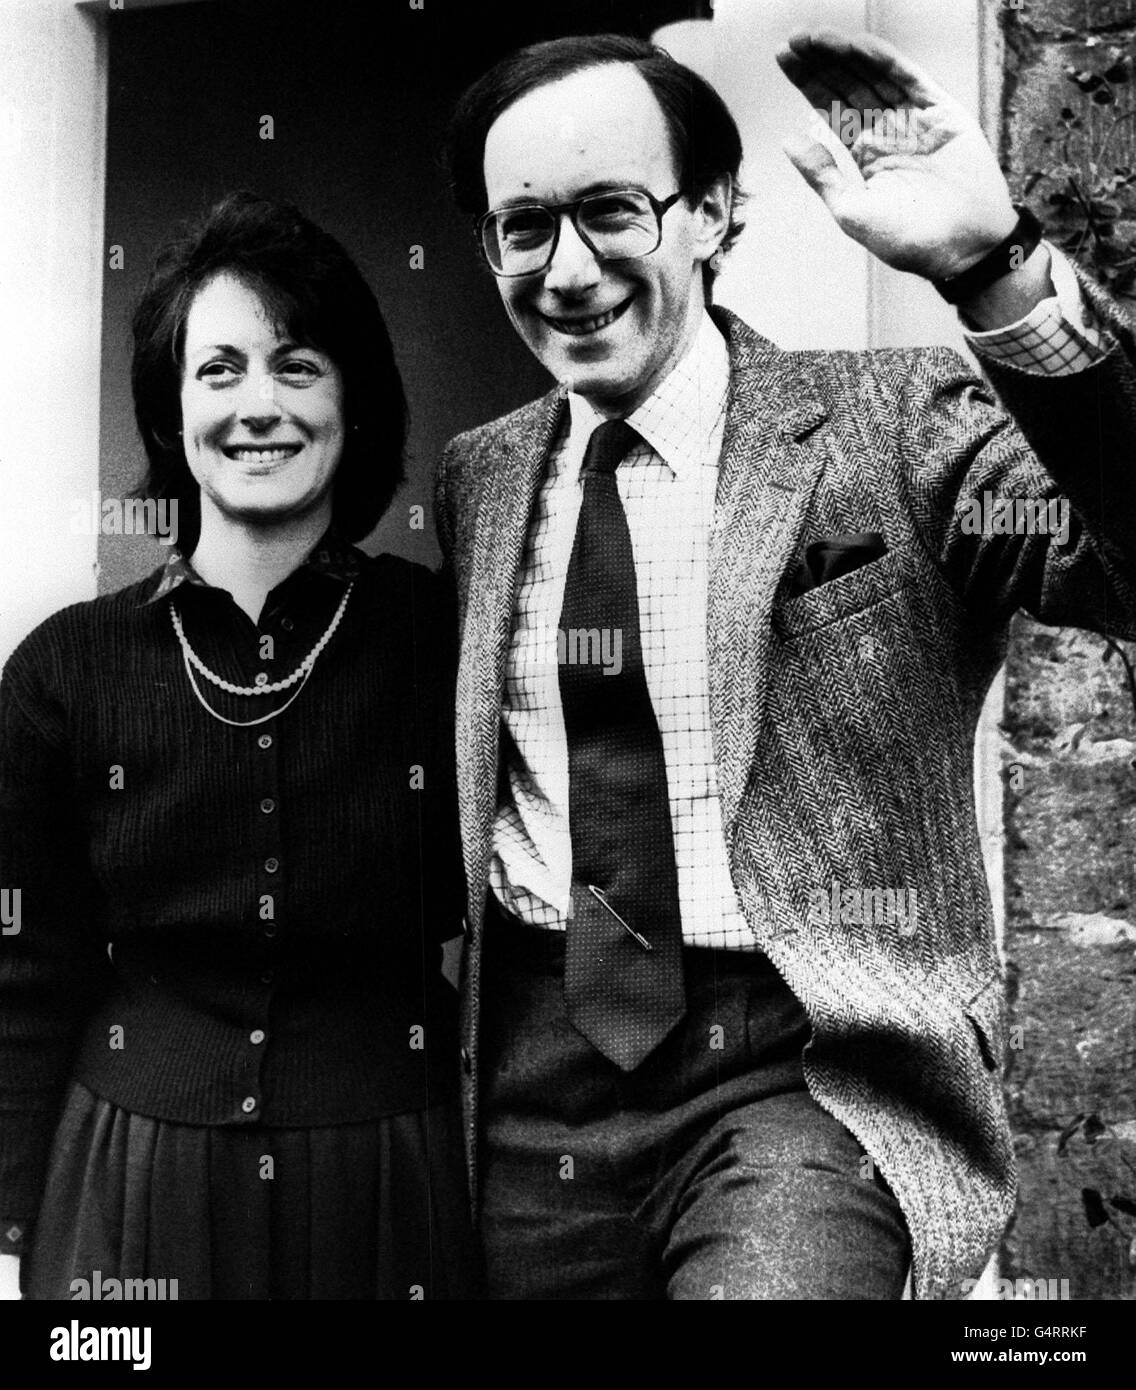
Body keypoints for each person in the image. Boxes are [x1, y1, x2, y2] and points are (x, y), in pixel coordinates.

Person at [435, 31, 1136, 1299]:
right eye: (521, 227)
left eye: (609, 213)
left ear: (709, 212)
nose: (567, 269)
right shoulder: (479, 478)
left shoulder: (894, 421)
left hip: (804, 1063)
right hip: (536, 1080)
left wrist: (992, 268)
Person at [0, 192, 479, 1299]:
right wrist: (10, 1231)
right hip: (127, 1187)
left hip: (390, 1185)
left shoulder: (449, 638)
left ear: (355, 403)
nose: (257, 405)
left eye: (297, 366)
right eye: (219, 371)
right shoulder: (62, 672)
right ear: (171, 414)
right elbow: (22, 978)